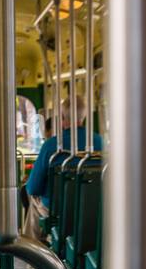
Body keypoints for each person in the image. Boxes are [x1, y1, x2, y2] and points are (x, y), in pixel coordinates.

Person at [21, 96, 103, 240]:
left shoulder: (52, 145)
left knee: (34, 203)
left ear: (63, 117)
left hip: (57, 210)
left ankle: (31, 254)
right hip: (93, 208)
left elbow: (33, 188)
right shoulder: (99, 142)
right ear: (83, 116)